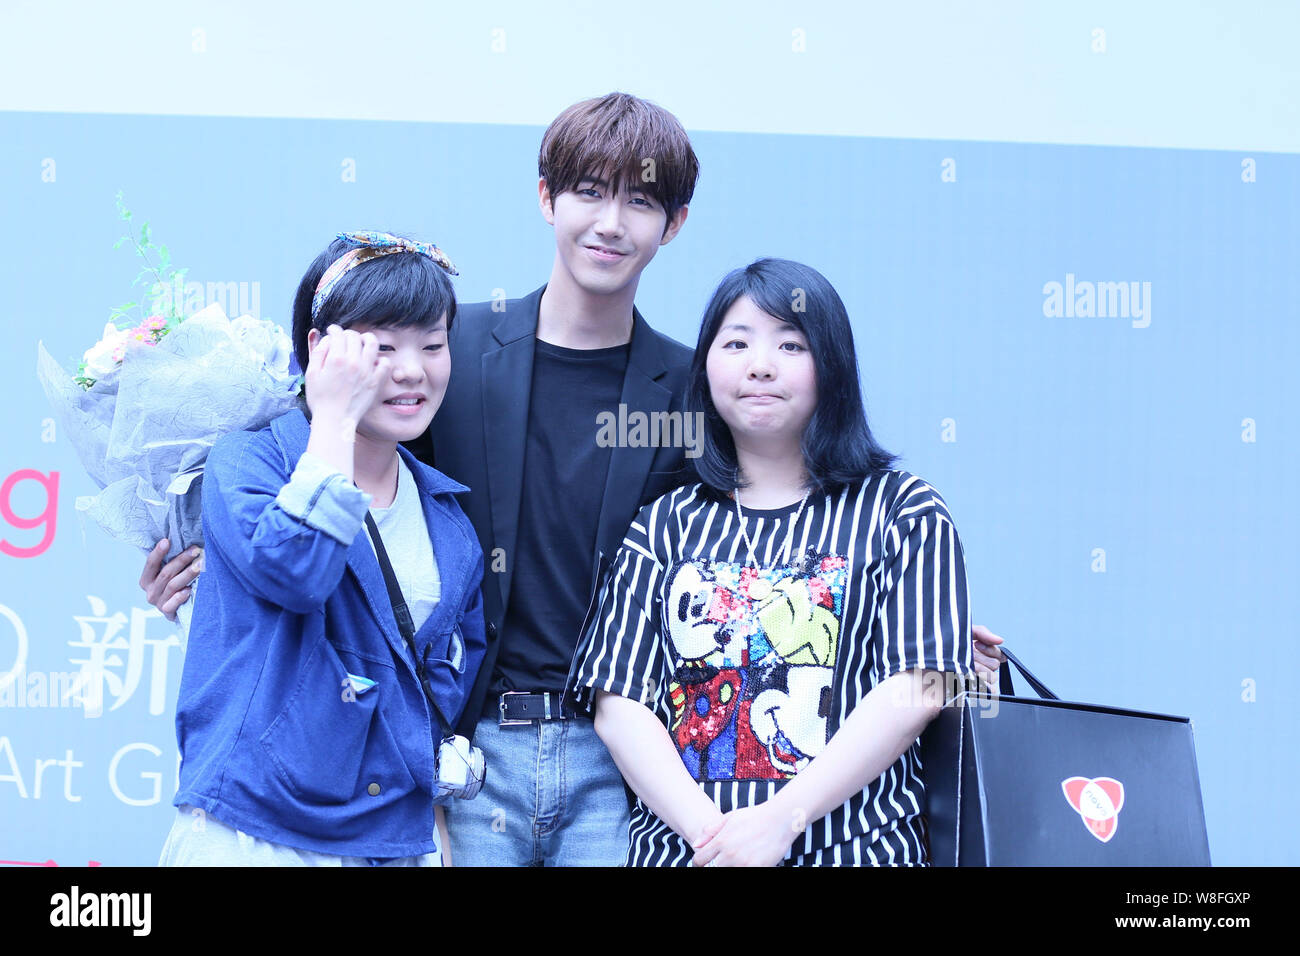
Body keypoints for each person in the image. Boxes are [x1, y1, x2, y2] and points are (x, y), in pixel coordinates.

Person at [142, 93, 1006, 866]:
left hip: (620, 759)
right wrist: (206, 553)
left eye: (641, 200)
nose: (611, 221)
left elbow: (768, 532)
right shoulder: (446, 351)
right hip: (468, 745)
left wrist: (915, 625)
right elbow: (334, 470)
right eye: (589, 191)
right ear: (547, 198)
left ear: (674, 224)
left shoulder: (696, 388)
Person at [571, 258, 973, 865]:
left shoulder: (903, 510)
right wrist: (719, 839)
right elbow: (617, 701)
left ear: (832, 369)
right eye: (736, 343)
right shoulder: (664, 525)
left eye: (791, 344)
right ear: (705, 368)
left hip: (857, 849)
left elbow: (920, 685)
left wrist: (782, 822)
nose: (760, 364)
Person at [158, 232, 486, 866]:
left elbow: (441, 692)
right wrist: (332, 420)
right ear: (319, 347)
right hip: (253, 826)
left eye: (433, 345)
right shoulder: (250, 462)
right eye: (381, 346)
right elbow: (296, 572)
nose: (411, 369)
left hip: (390, 836)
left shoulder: (450, 523)